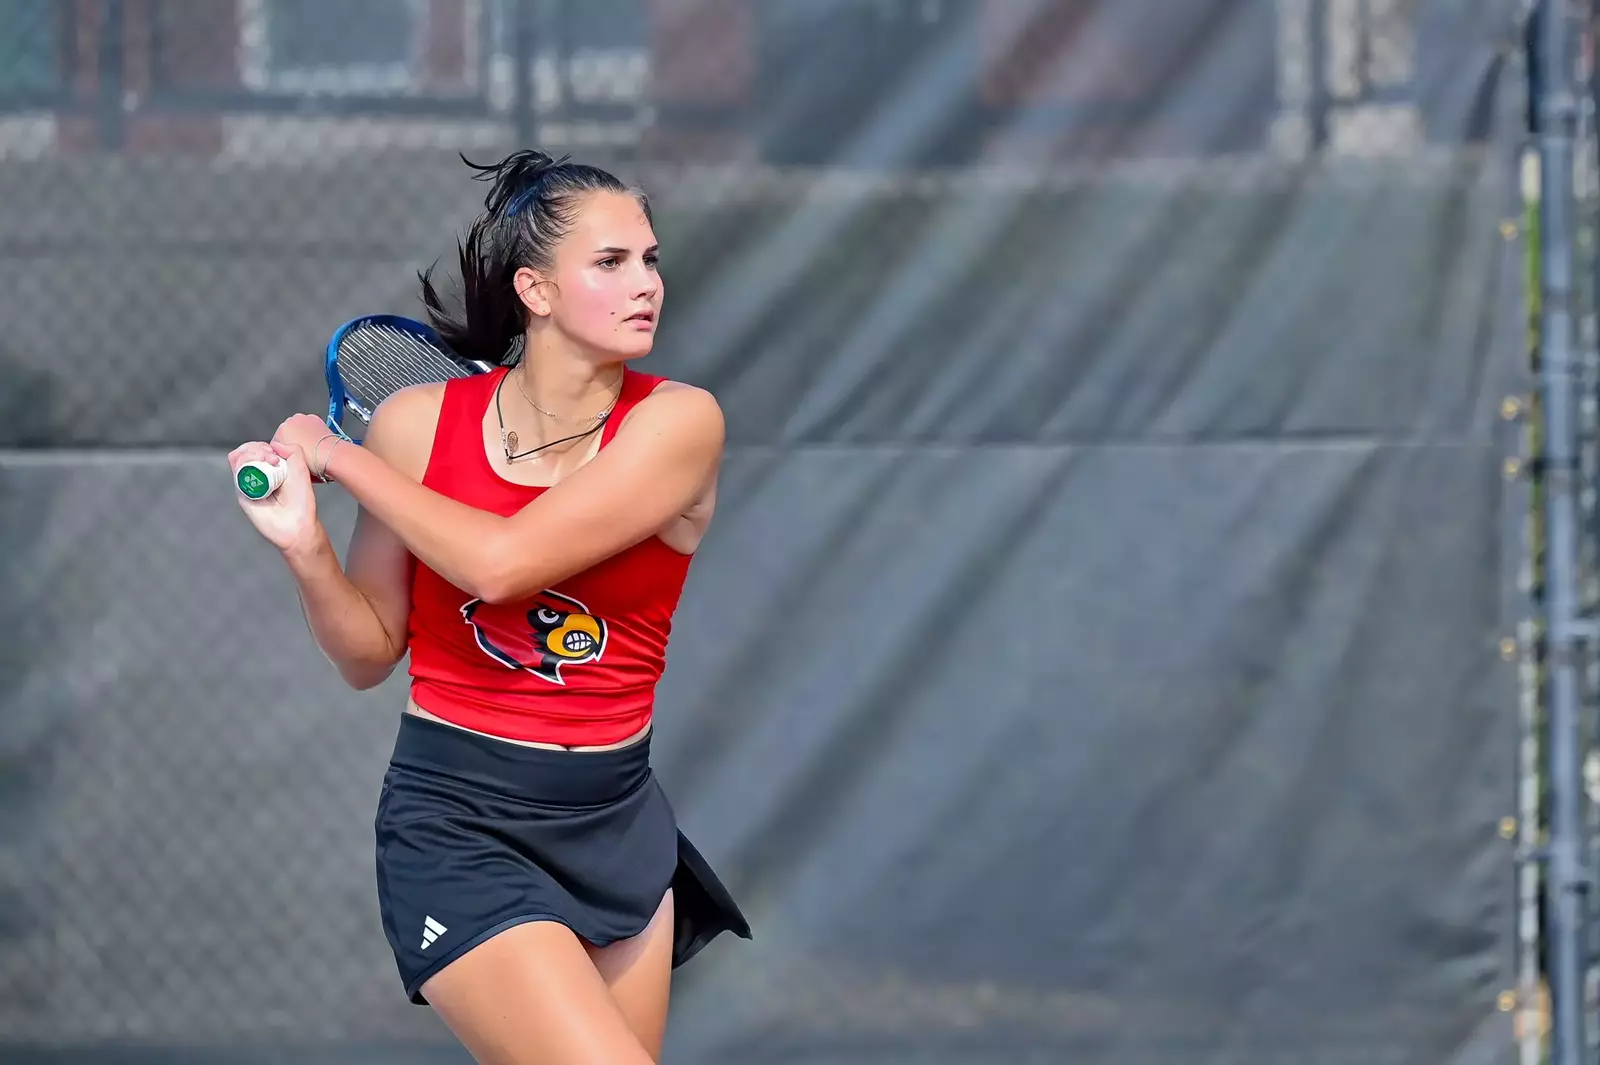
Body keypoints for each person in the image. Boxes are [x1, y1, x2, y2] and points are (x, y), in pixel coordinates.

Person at [228, 149, 751, 1065]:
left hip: (617, 820)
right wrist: (306, 546)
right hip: (459, 824)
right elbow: (369, 650)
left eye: (650, 260)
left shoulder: (678, 421)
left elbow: (503, 565)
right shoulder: (415, 425)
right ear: (534, 290)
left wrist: (339, 456)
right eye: (611, 262)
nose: (646, 284)